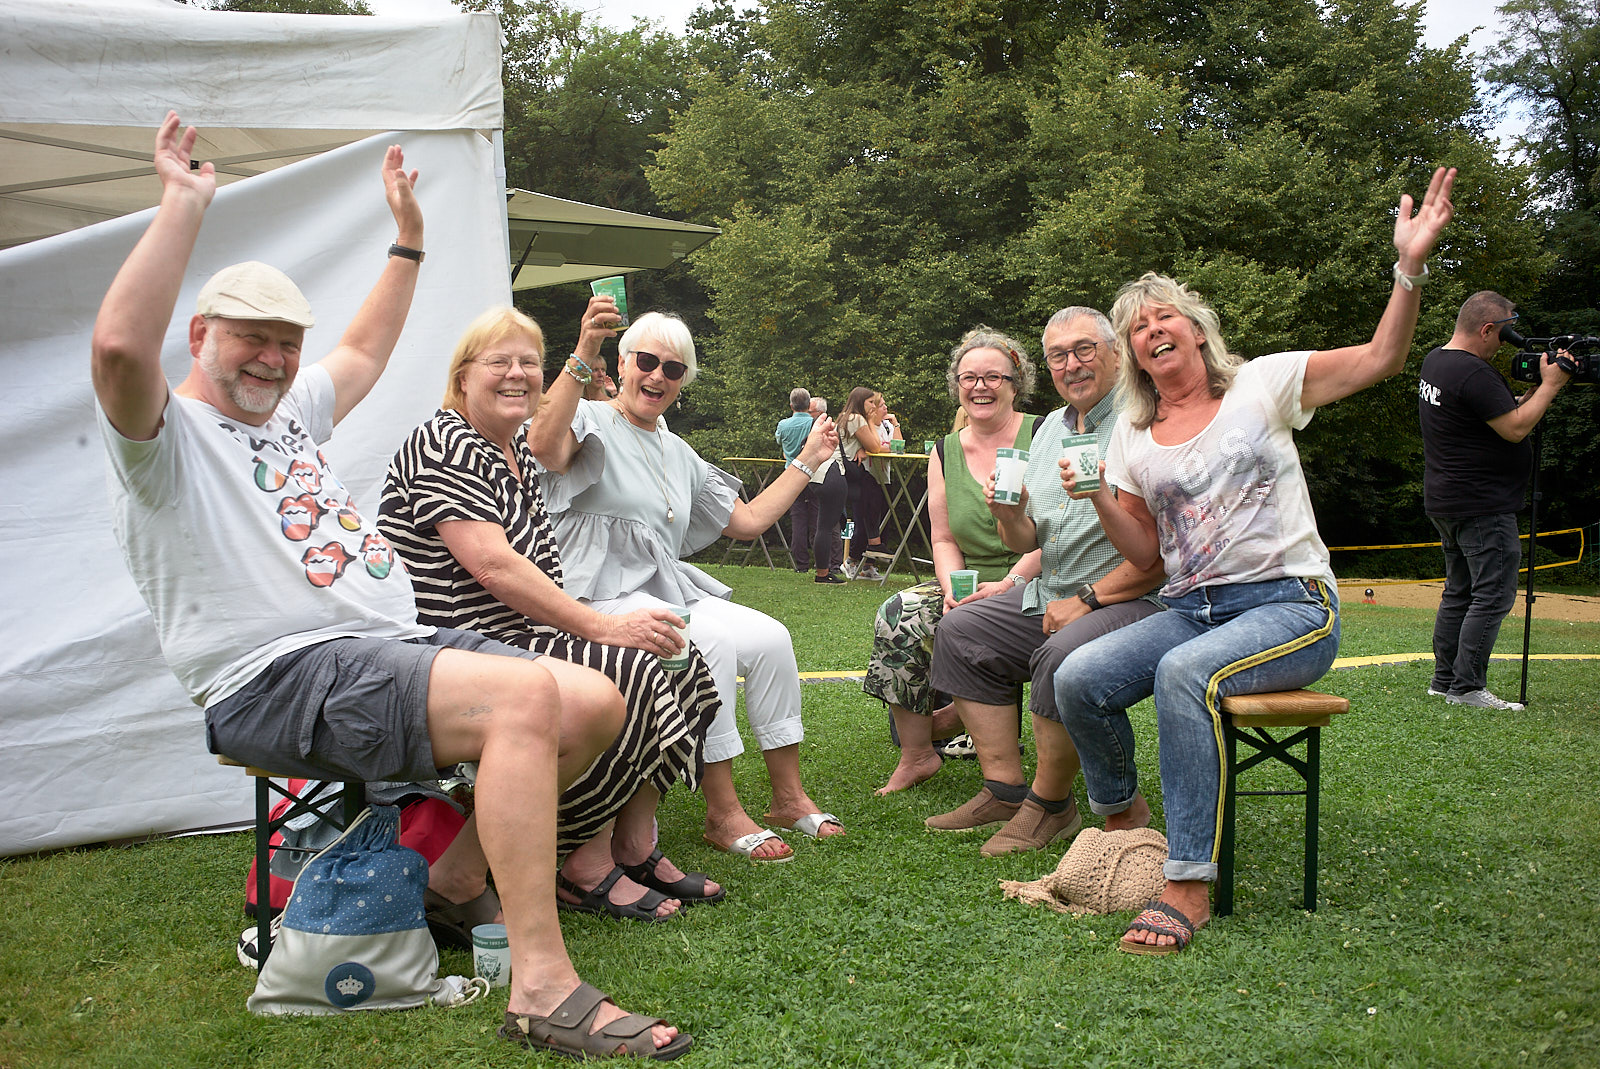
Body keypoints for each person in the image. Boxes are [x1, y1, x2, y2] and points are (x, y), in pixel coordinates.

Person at [92, 113, 689, 1057]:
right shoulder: (164, 443)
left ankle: (450, 887)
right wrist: (182, 205)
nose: (274, 358)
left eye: (287, 342)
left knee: (592, 699)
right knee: (528, 692)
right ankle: (541, 985)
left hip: (387, 651)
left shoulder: (289, 413)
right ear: (200, 333)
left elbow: (364, 350)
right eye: (251, 338)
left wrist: (406, 237)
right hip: (276, 673)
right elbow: (121, 353)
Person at [1053, 167, 1457, 955]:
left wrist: (1409, 267)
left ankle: (1185, 882)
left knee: (1182, 675)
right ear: (1132, 354)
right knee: (1079, 678)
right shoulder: (1130, 434)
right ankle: (1126, 824)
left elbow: (1381, 356)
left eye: (1164, 316)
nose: (1152, 330)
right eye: (1137, 328)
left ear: (1196, 329)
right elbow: (1147, 553)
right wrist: (1100, 493)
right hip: (1192, 606)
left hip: (1292, 605)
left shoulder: (1262, 384)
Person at [379, 305, 727, 922]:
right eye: (499, 362)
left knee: (682, 665)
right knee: (634, 674)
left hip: (513, 639)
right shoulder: (445, 441)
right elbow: (492, 566)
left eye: (529, 364)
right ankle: (577, 862)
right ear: (463, 376)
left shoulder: (511, 454)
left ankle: (629, 843)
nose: (517, 375)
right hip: (448, 648)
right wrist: (599, 624)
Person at [527, 311, 845, 862]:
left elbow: (744, 524)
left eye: (672, 368)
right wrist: (581, 351)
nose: (657, 376)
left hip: (662, 588)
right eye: (645, 361)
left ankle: (787, 798)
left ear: (682, 380)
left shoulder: (677, 450)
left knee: (771, 638)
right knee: (708, 641)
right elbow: (543, 448)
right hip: (595, 590)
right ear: (621, 364)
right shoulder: (587, 418)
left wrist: (807, 460)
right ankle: (722, 812)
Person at [924, 309, 1167, 855]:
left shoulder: (1142, 417)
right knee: (961, 630)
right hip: (1050, 591)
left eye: (1084, 350)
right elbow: (1025, 539)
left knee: (1060, 653)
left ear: (1114, 352)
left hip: (1136, 596)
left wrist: (1084, 601)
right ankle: (1005, 788)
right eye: (1059, 355)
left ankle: (1051, 803)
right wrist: (1007, 514)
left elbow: (1157, 553)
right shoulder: (1052, 428)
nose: (1072, 365)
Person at [865, 328, 1044, 795]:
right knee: (898, 612)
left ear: (1014, 383)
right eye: (969, 378)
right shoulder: (943, 450)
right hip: (969, 580)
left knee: (979, 623)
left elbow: (1061, 531)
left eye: (992, 377)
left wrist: (1009, 582)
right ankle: (918, 755)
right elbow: (943, 537)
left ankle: (966, 732)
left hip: (1039, 574)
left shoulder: (1044, 434)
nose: (980, 386)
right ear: (957, 385)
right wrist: (950, 589)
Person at [1418, 292, 1572, 710]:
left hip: (1447, 498)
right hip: (1481, 503)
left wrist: (1533, 392)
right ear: (1486, 329)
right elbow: (1515, 429)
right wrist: (1553, 386)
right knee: (1492, 594)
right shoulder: (1473, 372)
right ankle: (1467, 688)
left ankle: (1444, 681)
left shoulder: (1436, 362)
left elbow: (1496, 414)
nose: (1504, 344)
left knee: (1460, 591)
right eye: (1503, 335)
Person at [839, 387, 898, 579]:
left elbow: (891, 446)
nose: (876, 407)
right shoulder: (856, 419)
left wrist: (866, 448)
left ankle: (869, 561)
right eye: (872, 403)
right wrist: (869, 446)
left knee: (874, 517)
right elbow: (875, 446)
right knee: (865, 518)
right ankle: (858, 557)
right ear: (860, 402)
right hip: (860, 474)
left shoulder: (853, 418)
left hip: (867, 474)